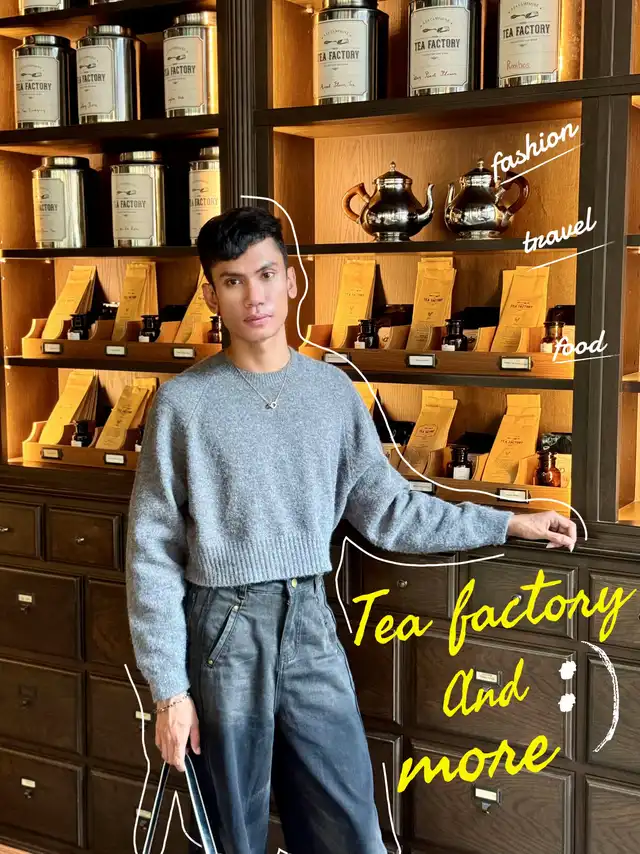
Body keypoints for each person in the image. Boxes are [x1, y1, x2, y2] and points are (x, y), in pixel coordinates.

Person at [125, 206, 577, 854]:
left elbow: (390, 510)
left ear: (292, 280)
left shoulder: (333, 395)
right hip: (225, 630)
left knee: (349, 827)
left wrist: (506, 523)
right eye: (232, 280)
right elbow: (151, 552)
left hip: (309, 620)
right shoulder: (183, 404)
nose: (254, 296)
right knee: (232, 832)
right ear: (210, 292)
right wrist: (170, 691)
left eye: (266, 274)